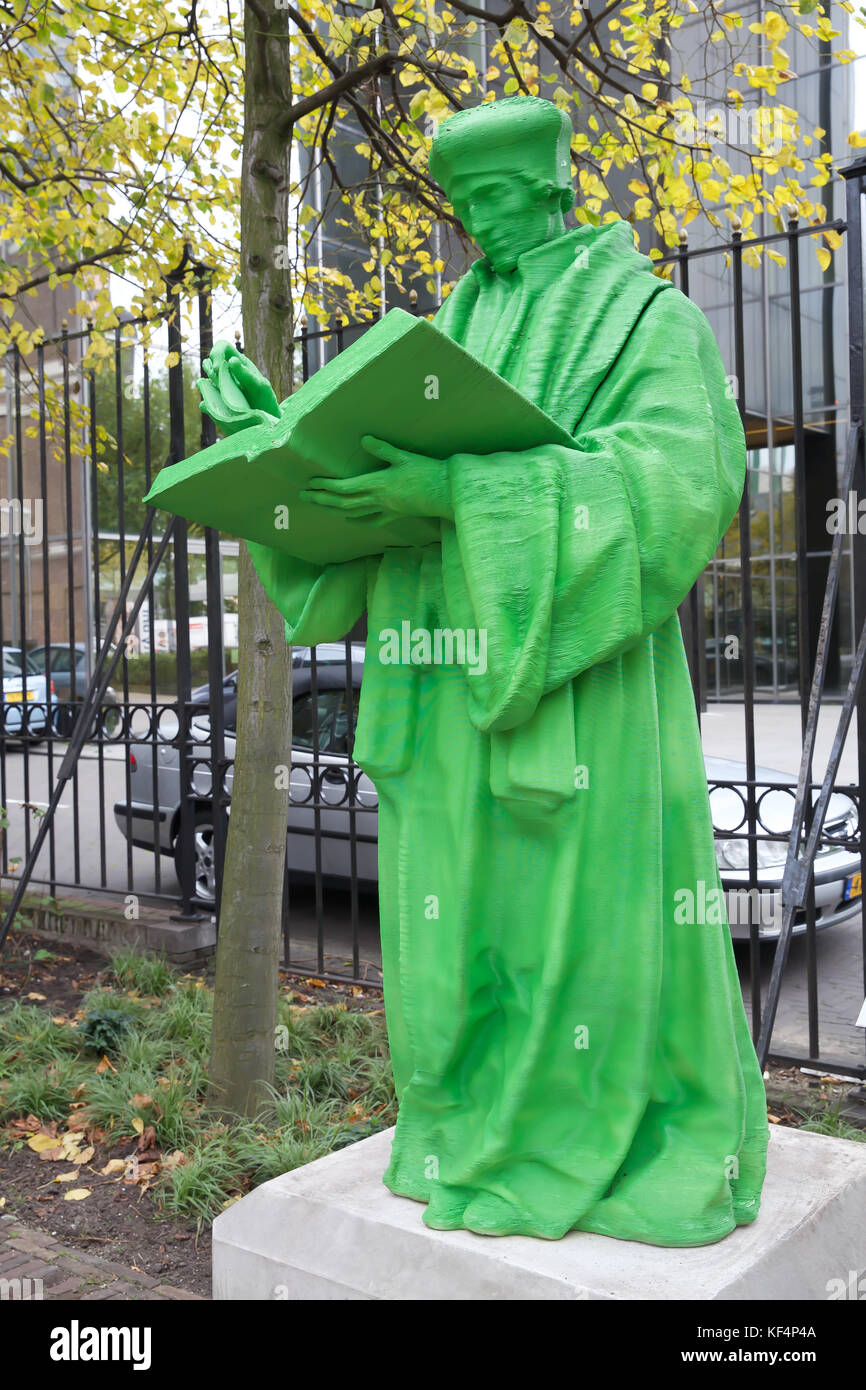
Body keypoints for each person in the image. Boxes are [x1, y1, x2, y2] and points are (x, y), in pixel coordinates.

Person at [202, 96, 768, 1245]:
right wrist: (274, 452)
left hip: (574, 687)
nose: (477, 229)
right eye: (462, 211)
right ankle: (466, 1126)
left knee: (571, 928)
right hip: (436, 688)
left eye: (496, 203)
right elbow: (351, 526)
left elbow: (680, 480)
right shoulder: (452, 329)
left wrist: (461, 495)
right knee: (454, 931)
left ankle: (573, 1139)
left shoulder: (646, 321)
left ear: (555, 189)